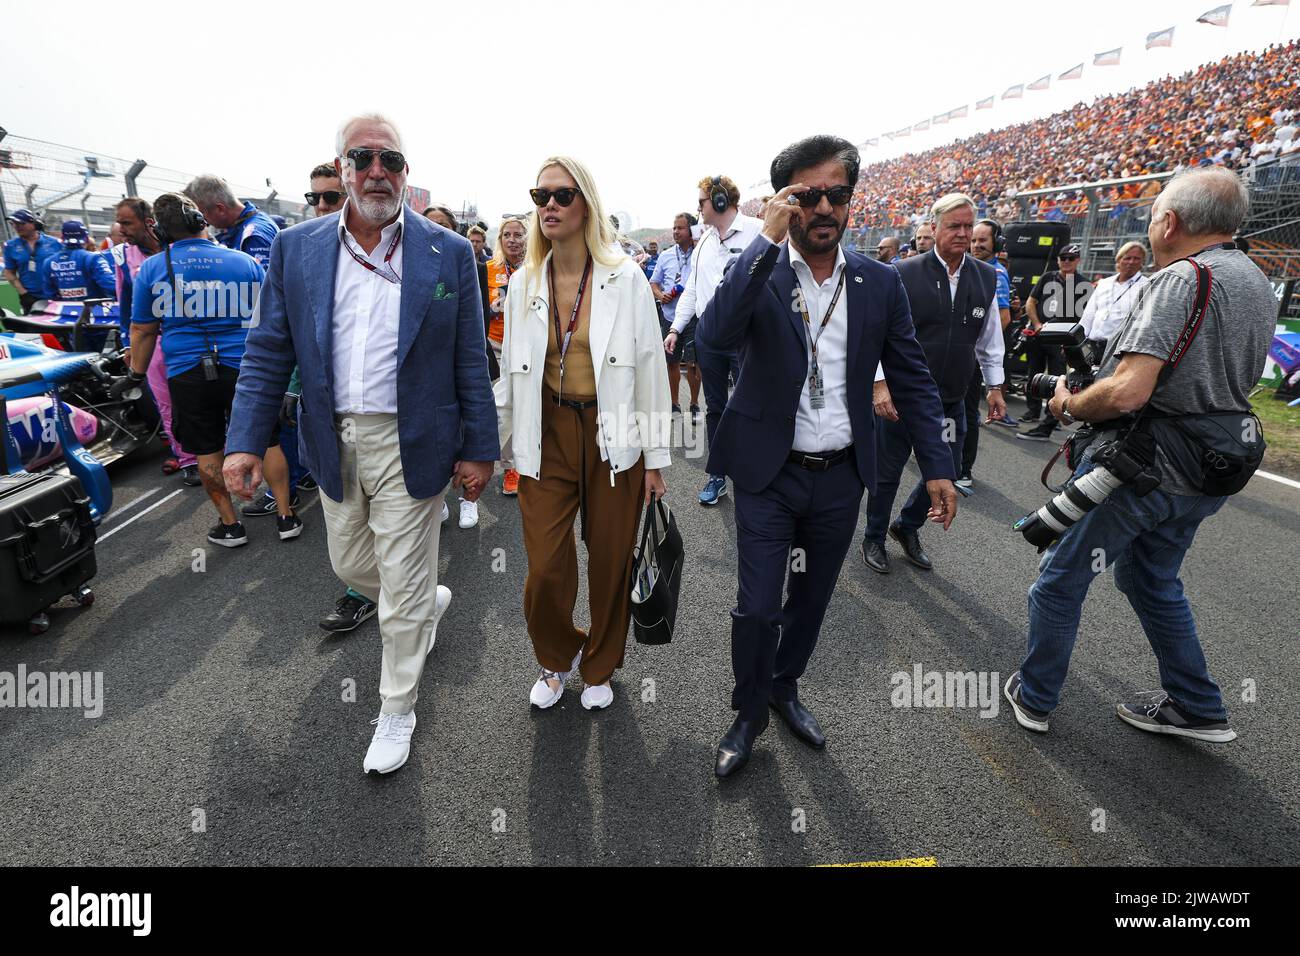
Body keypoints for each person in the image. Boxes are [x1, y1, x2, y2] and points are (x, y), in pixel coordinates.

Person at [224, 112, 498, 774]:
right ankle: (422, 602)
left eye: (392, 160)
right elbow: (267, 350)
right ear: (342, 168)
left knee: (400, 585)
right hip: (331, 437)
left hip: (417, 440)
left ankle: (397, 707)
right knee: (351, 565)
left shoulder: (448, 252)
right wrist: (243, 441)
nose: (378, 170)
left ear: (407, 171)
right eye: (363, 158)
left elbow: (469, 357)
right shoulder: (299, 248)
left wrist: (480, 446)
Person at [698, 135, 957, 779]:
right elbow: (714, 335)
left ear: (850, 202)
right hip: (768, 473)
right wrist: (763, 240)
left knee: (809, 602)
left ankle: (785, 688)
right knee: (757, 607)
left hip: (842, 478)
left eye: (835, 194)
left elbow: (914, 378)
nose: (822, 207)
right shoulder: (759, 268)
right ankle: (748, 711)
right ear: (785, 201)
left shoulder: (877, 282)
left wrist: (939, 465)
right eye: (806, 195)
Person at [1003, 167, 1274, 744]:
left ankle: (1035, 697)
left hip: (1143, 469)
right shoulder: (1253, 275)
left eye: (1153, 217)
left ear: (1170, 222)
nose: (1152, 228)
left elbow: (1128, 391)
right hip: (1211, 467)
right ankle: (1197, 704)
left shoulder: (1181, 278)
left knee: (1059, 579)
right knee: (1151, 579)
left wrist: (1069, 404)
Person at [495, 154, 671, 712]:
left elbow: (649, 370)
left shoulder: (626, 277)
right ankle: (556, 656)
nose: (548, 205)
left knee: (612, 556)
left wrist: (657, 460)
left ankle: (600, 662)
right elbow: (507, 373)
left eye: (561, 195)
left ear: (586, 204)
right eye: (540, 195)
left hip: (613, 428)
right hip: (544, 429)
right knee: (545, 566)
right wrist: (491, 446)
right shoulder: (524, 283)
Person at [862, 193, 1004, 575]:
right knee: (886, 474)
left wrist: (995, 386)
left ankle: (906, 526)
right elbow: (873, 334)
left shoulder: (986, 276)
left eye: (967, 226)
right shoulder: (902, 273)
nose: (962, 233)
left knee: (946, 467)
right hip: (900, 398)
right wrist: (879, 385)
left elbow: (990, 338)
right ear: (935, 228)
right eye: (953, 226)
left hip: (952, 399)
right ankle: (873, 537)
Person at [124, 192, 272, 546]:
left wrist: (135, 377)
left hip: (187, 372)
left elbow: (143, 330)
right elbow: (268, 318)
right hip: (244, 367)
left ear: (159, 230)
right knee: (272, 441)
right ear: (200, 221)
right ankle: (285, 513)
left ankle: (231, 525)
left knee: (207, 449)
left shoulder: (152, 268)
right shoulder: (243, 261)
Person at [664, 174, 764, 505]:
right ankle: (718, 473)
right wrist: (676, 328)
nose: (699, 209)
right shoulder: (704, 241)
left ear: (721, 201)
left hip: (750, 334)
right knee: (715, 407)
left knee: (755, 404)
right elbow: (692, 289)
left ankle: (757, 473)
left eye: (702, 202)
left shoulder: (759, 232)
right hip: (711, 335)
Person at [114, 197, 201, 486]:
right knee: (166, 403)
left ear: (149, 222)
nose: (121, 228)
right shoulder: (123, 257)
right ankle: (187, 458)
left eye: (127, 222)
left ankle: (218, 450)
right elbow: (125, 304)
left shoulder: (183, 244)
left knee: (206, 399)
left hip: (192, 338)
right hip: (153, 342)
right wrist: (130, 344)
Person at [957, 218, 1016, 490]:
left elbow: (1002, 318)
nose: (977, 245)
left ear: (997, 243)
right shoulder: (969, 268)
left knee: (967, 413)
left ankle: (964, 468)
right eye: (975, 240)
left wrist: (974, 349)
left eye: (983, 240)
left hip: (971, 357)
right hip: (960, 354)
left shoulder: (995, 273)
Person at [1018, 243, 1090, 442]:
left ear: (1078, 260)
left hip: (1061, 342)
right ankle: (1033, 411)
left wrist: (1070, 339)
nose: (1066, 261)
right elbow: (1031, 302)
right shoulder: (1047, 277)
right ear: (1058, 259)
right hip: (1039, 335)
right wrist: (1037, 323)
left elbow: (1085, 317)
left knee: (1058, 379)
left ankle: (1053, 418)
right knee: (1034, 374)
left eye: (1071, 258)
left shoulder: (1083, 283)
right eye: (1063, 257)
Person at [484, 216, 527, 502]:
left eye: (518, 235)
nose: (512, 240)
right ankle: (477, 458)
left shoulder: (537, 268)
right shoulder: (487, 269)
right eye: (507, 235)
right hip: (490, 345)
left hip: (521, 347)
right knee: (486, 407)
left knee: (512, 407)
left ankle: (511, 468)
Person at [649, 212, 701, 418]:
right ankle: (674, 403)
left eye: (680, 228)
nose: (675, 232)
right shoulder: (666, 255)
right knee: (671, 362)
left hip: (694, 318)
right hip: (669, 316)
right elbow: (653, 283)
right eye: (674, 228)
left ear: (691, 231)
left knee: (693, 363)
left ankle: (695, 404)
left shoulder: (701, 252)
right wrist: (661, 295)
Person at [184, 175, 279, 269]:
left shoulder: (252, 236)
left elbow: (260, 283)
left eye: (202, 214)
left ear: (220, 209)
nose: (204, 222)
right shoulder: (238, 225)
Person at [1079, 240, 1149, 350]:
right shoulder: (1103, 283)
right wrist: (1078, 341)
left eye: (1136, 259)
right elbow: (1088, 316)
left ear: (1142, 262)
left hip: (1119, 349)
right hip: (1092, 346)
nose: (1131, 262)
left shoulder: (1146, 286)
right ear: (1119, 259)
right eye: (1127, 258)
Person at [4, 209, 66, 313]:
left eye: (21, 223)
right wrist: (23, 293)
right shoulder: (10, 246)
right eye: (13, 223)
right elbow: (9, 272)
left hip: (57, 296)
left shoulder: (55, 243)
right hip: (30, 298)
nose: (17, 226)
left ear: (34, 224)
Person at [39, 220, 117, 301]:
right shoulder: (94, 258)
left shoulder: (48, 262)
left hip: (64, 310)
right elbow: (111, 286)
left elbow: (49, 294)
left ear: (62, 238)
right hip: (95, 310)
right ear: (86, 238)